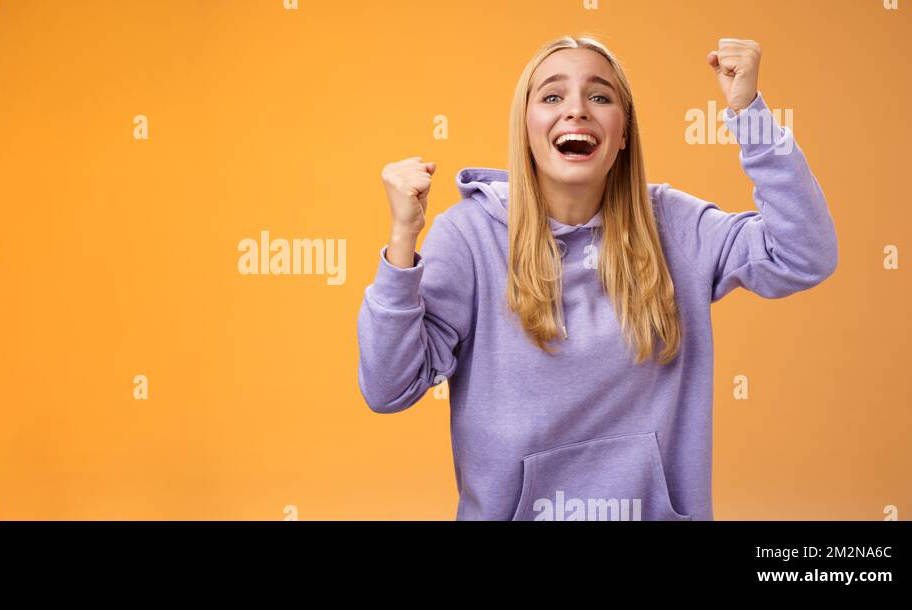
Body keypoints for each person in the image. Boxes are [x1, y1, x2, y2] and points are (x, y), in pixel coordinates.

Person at [357, 35, 837, 520]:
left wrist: (750, 115)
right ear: (525, 129)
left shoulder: (675, 227)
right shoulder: (469, 237)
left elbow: (804, 254)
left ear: (623, 132)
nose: (576, 110)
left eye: (600, 96)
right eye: (551, 96)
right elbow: (389, 388)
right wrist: (402, 240)